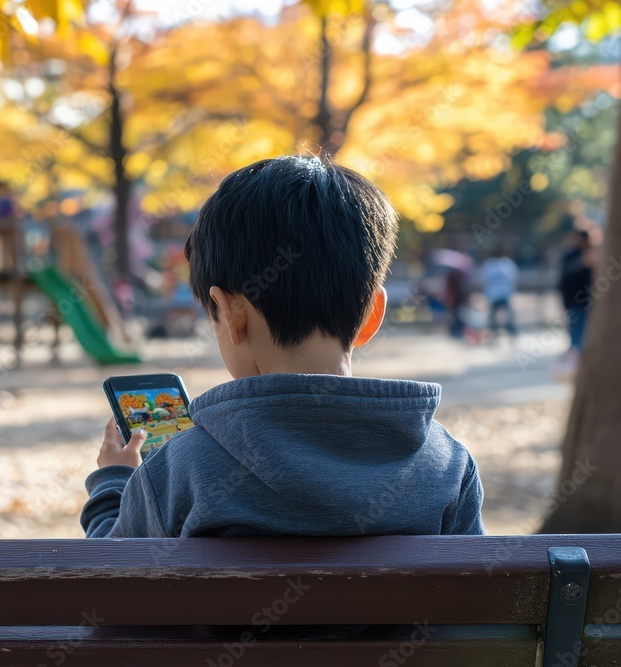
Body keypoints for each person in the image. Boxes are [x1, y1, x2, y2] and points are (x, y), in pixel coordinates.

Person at [81, 155, 484, 538]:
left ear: (229, 312)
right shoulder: (446, 464)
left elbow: (109, 579)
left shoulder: (179, 470)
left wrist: (114, 484)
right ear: (372, 315)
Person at [481, 248, 519, 339]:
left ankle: (513, 334)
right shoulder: (488, 264)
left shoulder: (508, 264)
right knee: (492, 319)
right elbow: (484, 281)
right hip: (493, 296)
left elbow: (513, 280)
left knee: (509, 318)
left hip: (504, 295)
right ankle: (493, 335)